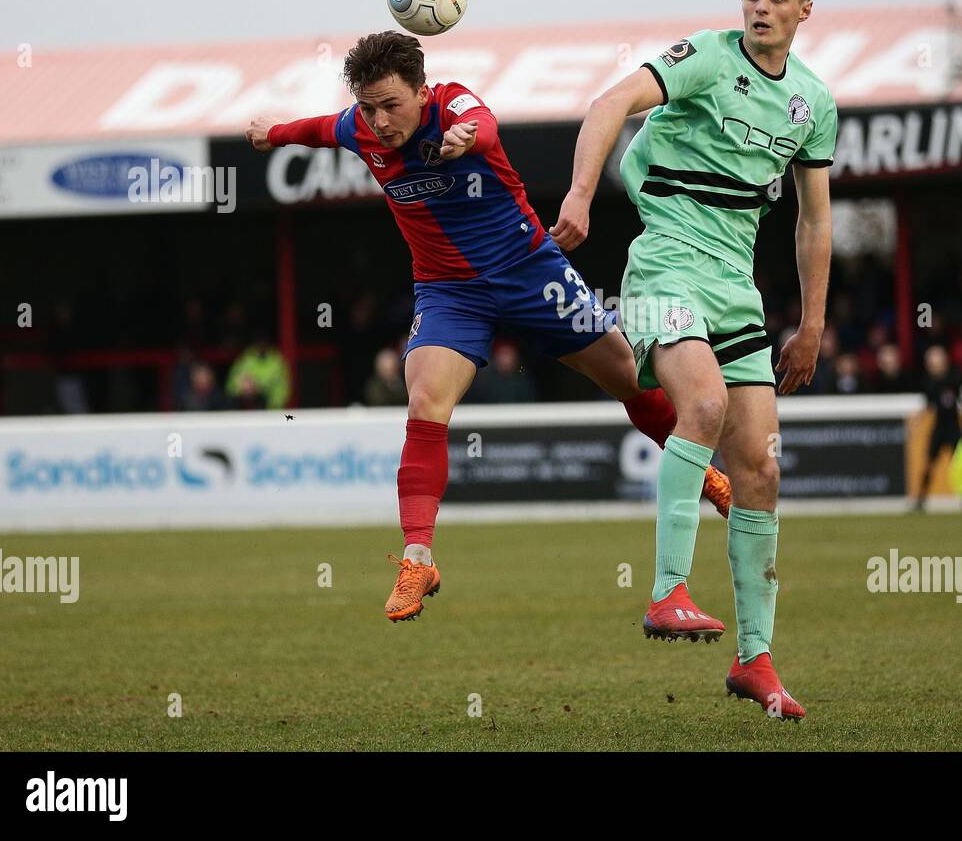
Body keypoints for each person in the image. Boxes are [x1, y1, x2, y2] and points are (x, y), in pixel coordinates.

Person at [247, 32, 732, 624]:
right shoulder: (361, 129)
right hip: (449, 293)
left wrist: (464, 137)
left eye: (390, 106)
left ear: (422, 92)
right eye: (368, 107)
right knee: (424, 400)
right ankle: (417, 558)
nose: (377, 121)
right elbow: (319, 128)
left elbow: (484, 124)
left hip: (531, 271)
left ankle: (699, 469)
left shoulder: (455, 106)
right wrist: (273, 132)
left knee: (631, 379)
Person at [554, 0, 836, 719]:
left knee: (763, 471)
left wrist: (811, 326)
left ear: (804, 11)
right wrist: (581, 193)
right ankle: (667, 592)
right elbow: (609, 103)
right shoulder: (706, 58)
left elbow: (814, 221)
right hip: (658, 269)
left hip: (735, 288)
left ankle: (756, 663)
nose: (761, 6)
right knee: (702, 410)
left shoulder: (813, 102)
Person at [912, 346, 962, 513]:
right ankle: (921, 499)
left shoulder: (955, 378)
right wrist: (918, 419)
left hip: (955, 429)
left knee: (960, 465)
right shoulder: (929, 382)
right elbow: (928, 404)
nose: (933, 366)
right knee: (929, 464)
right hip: (939, 429)